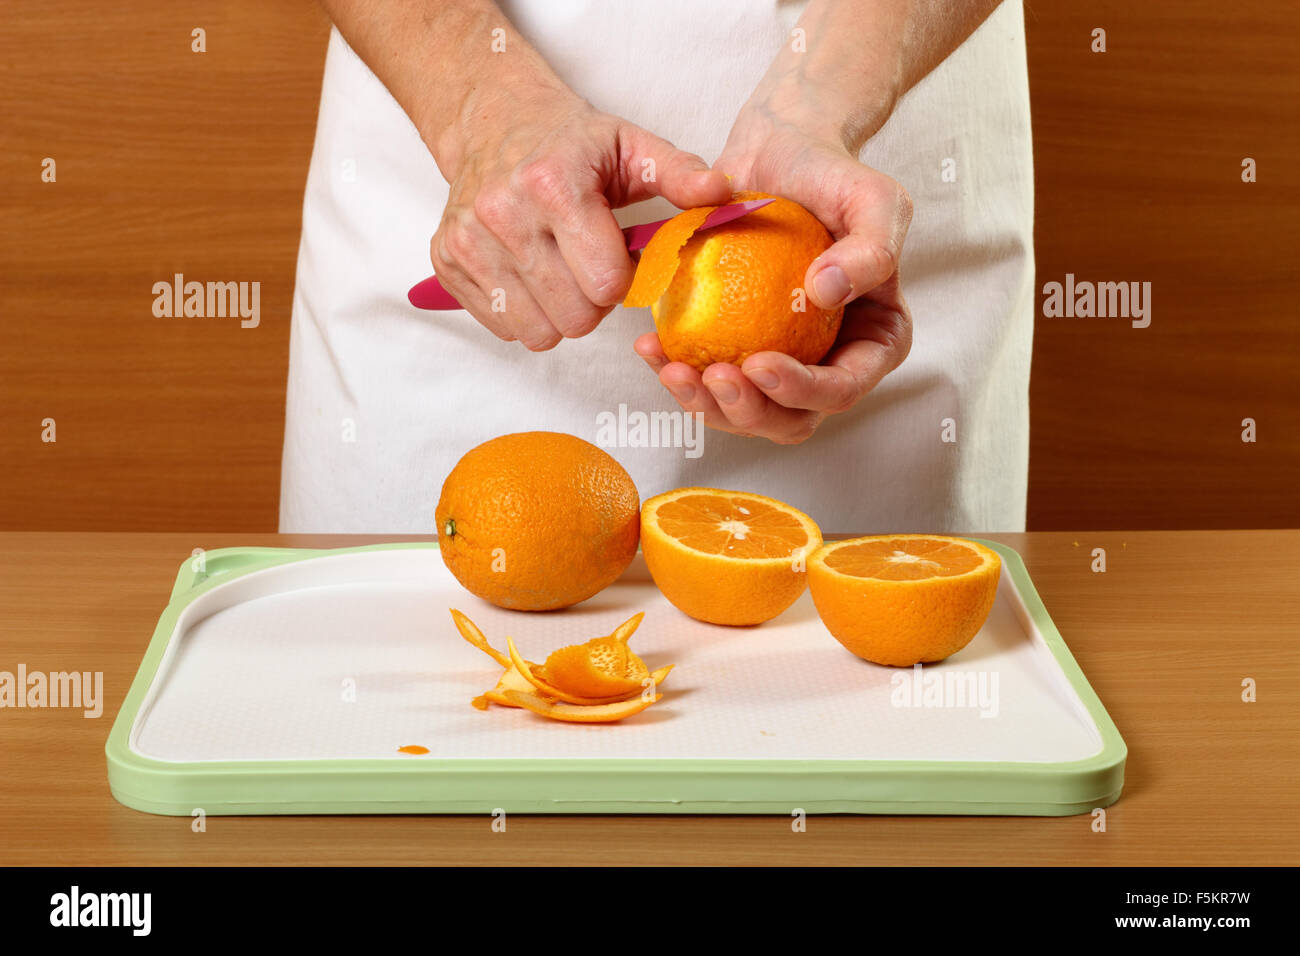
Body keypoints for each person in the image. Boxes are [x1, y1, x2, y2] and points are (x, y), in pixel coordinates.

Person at [280, 0, 1034, 534]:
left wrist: (822, 100)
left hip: (862, 184)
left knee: (886, 675)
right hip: (463, 224)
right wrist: (478, 102)